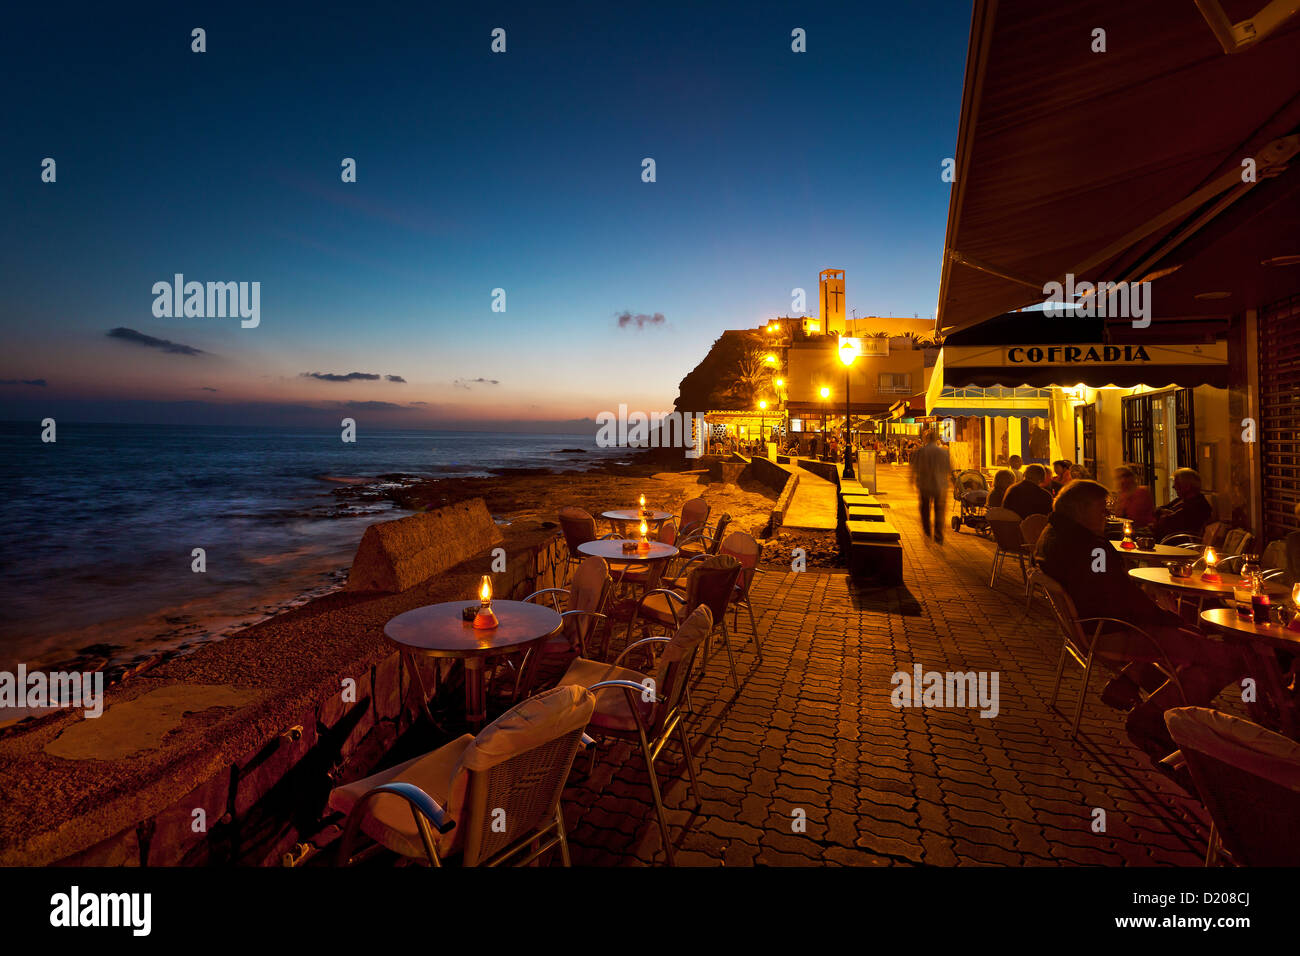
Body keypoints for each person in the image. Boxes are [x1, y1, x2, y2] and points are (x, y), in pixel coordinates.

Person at [1038, 480, 1245, 769]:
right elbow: (1122, 598)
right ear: (1080, 510)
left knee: (1193, 650)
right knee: (1228, 659)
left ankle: (1140, 688)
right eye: (1101, 510)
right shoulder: (1088, 547)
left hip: (1092, 628)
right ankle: (1154, 718)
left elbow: (1116, 594)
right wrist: (1170, 621)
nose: (1106, 516)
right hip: (1114, 631)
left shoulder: (1053, 535)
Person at [910, 429, 952, 544]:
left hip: (925, 485)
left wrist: (911, 481)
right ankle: (938, 535)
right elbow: (949, 469)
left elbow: (914, 468)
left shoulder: (920, 452)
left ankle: (927, 531)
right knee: (939, 511)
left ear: (926, 439)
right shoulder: (944, 453)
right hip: (940, 486)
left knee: (925, 509)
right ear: (936, 439)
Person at [1153, 468, 1212, 541]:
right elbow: (1158, 510)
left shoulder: (1198, 506)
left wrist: (1164, 515)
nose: (1173, 487)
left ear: (1187, 486)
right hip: (1162, 537)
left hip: (1173, 542)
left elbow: (1167, 522)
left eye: (1177, 483)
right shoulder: (1180, 499)